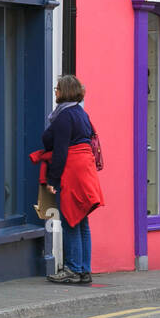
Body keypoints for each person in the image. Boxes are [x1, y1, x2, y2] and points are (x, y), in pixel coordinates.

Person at [41, 74, 103, 285]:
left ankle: (73, 270)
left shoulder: (64, 116)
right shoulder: (81, 113)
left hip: (72, 171)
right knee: (82, 220)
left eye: (57, 88)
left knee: (70, 220)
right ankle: (84, 270)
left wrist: (52, 180)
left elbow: (59, 152)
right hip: (86, 171)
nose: (55, 92)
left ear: (65, 91)